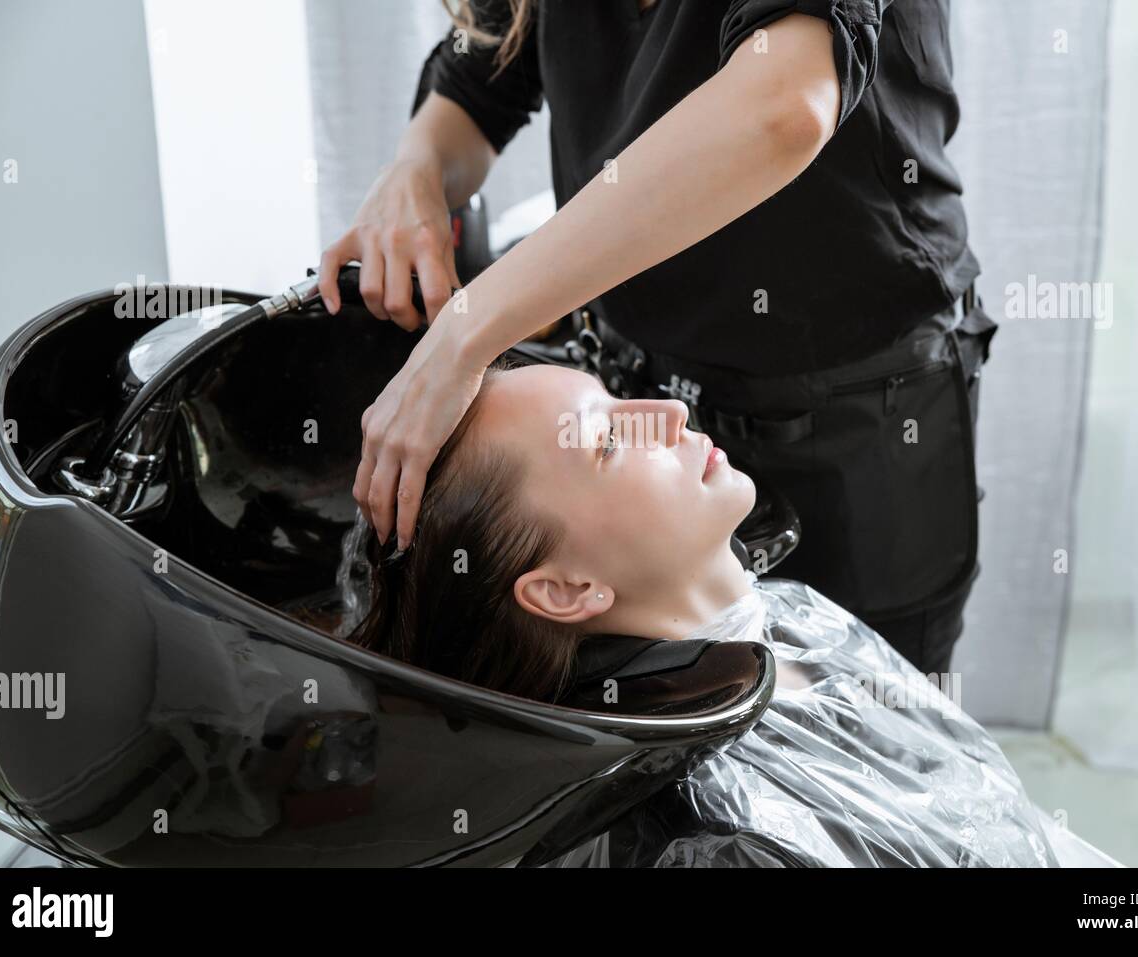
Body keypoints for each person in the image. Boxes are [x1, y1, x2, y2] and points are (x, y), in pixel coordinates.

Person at [320, 0, 997, 677]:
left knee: (877, 719)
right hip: (648, 392)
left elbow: (784, 108)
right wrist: (415, 168)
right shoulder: (645, 435)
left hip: (862, 424)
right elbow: (476, 87)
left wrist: (467, 332)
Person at [346, 363, 1056, 867]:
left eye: (615, 397)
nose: (670, 412)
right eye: (608, 440)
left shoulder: (797, 621)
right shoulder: (712, 837)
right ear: (566, 589)